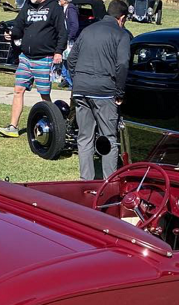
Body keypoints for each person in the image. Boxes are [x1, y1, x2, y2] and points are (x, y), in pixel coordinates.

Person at [67, 0, 131, 180]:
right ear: (122, 18)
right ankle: (108, 181)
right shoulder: (121, 34)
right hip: (105, 91)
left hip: (80, 89)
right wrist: (120, 92)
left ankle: (85, 181)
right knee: (108, 137)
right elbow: (123, 64)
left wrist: (78, 80)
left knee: (84, 136)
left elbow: (71, 60)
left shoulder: (87, 30)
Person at [0, 0, 67, 138]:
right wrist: (11, 33)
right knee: (18, 90)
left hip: (44, 58)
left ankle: (53, 126)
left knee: (44, 94)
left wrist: (58, 52)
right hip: (25, 58)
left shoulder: (53, 7)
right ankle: (13, 127)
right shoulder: (27, 6)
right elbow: (19, 26)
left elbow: (62, 32)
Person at [57, 0, 80, 87]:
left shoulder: (71, 9)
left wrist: (69, 37)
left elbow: (75, 25)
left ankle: (71, 83)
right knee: (65, 59)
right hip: (65, 38)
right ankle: (66, 79)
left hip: (70, 40)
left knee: (69, 60)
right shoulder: (63, 9)